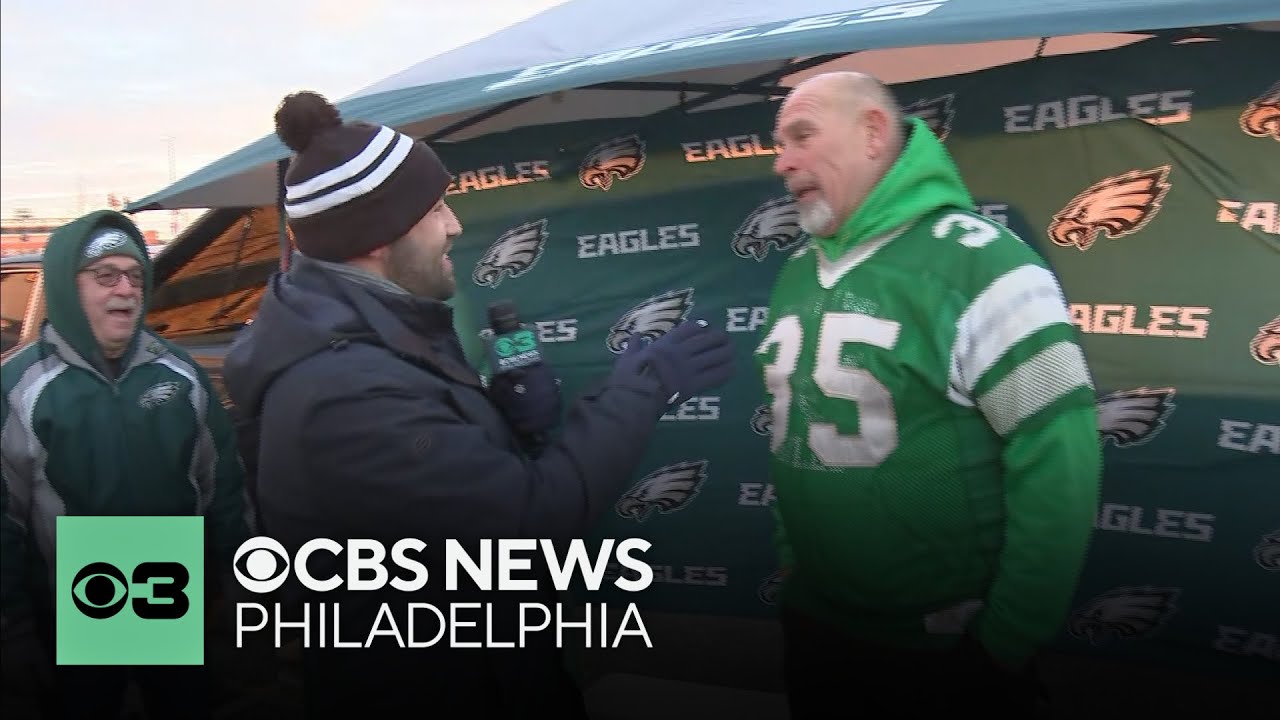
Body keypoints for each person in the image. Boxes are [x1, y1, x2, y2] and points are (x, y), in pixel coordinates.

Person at [221, 91, 736, 719]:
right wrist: (644, 384)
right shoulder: (343, 393)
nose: (455, 225)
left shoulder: (374, 343)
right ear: (379, 234)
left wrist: (508, 423)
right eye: (437, 207)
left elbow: (438, 509)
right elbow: (525, 528)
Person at [756, 71, 1101, 718]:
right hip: (815, 629)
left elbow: (1061, 459)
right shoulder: (797, 273)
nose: (782, 161)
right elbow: (792, 430)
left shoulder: (986, 264)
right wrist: (793, 563)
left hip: (941, 654)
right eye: (780, 143)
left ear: (872, 134)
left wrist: (1004, 643)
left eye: (802, 136)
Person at [0, 210, 254, 719]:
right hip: (70, 616)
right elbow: (4, 520)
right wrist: (13, 629)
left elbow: (223, 486)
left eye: (136, 275)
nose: (126, 289)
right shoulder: (21, 388)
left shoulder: (179, 376)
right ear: (69, 289)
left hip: (175, 601)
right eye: (105, 276)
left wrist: (240, 590)